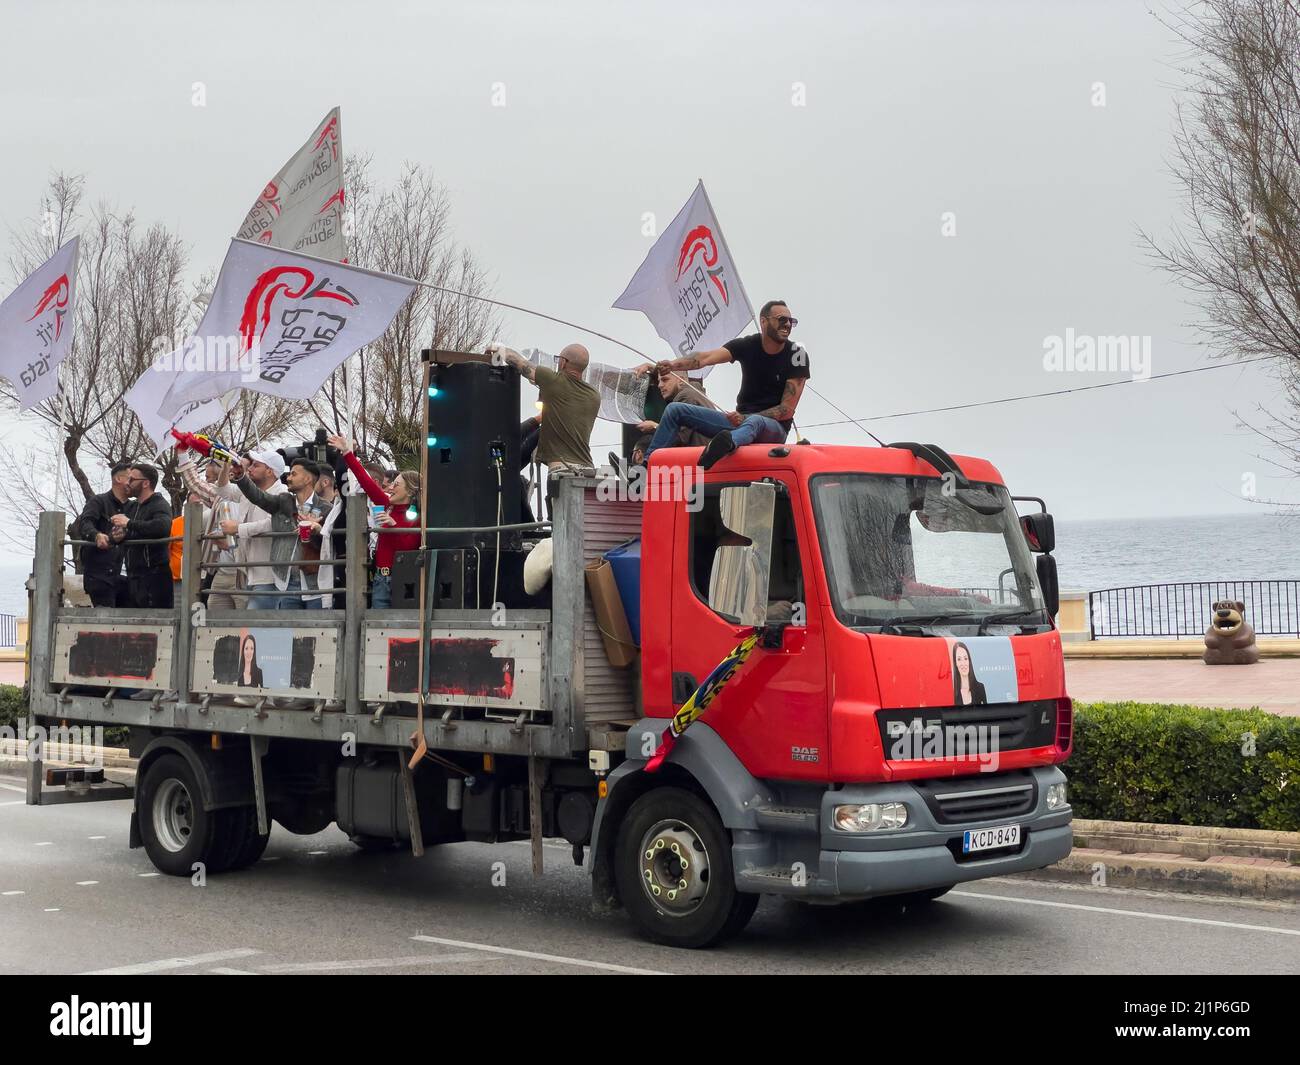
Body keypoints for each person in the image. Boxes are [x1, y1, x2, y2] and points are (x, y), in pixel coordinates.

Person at [638, 300, 810, 469]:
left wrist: (744, 418)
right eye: (781, 319)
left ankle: (720, 448)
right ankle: (646, 468)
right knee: (675, 409)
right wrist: (673, 365)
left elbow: (786, 411)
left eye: (791, 321)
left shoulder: (797, 354)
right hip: (740, 424)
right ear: (763, 322)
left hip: (773, 428)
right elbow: (705, 358)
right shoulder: (748, 344)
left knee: (756, 421)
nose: (787, 324)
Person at [327, 435, 421, 609]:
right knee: (377, 627)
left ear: (410, 491)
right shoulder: (386, 505)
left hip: (403, 580)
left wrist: (394, 526)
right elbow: (365, 481)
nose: (390, 487)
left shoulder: (418, 516)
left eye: (397, 484)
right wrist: (347, 452)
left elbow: (409, 547)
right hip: (380, 579)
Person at [228, 457, 328, 610]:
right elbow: (258, 497)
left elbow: (333, 544)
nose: (288, 478)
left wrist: (317, 530)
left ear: (307, 479)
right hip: (286, 583)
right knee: (287, 631)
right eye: (289, 474)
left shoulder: (326, 508)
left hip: (316, 584)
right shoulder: (284, 501)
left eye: (294, 474)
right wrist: (241, 477)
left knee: (317, 631)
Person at [490, 343, 600, 477]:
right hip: (588, 469)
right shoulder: (594, 395)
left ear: (563, 362)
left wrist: (496, 348)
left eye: (558, 359)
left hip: (563, 471)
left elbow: (518, 362)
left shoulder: (553, 381)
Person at [109, 463, 174, 609]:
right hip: (132, 576)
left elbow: (162, 527)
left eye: (132, 479)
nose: (127, 483)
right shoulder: (131, 506)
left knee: (155, 625)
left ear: (145, 483)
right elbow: (123, 531)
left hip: (154, 576)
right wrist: (117, 536)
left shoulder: (160, 504)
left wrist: (129, 523)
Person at [73, 461, 132, 607]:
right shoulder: (98, 501)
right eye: (130, 478)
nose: (133, 483)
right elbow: (85, 523)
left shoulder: (134, 507)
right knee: (106, 623)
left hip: (128, 578)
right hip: (101, 577)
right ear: (118, 479)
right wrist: (96, 535)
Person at [951, 642, 987, 706]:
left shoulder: (980, 688)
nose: (963, 663)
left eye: (965, 658)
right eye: (959, 659)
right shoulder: (952, 693)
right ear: (955, 663)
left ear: (969, 660)